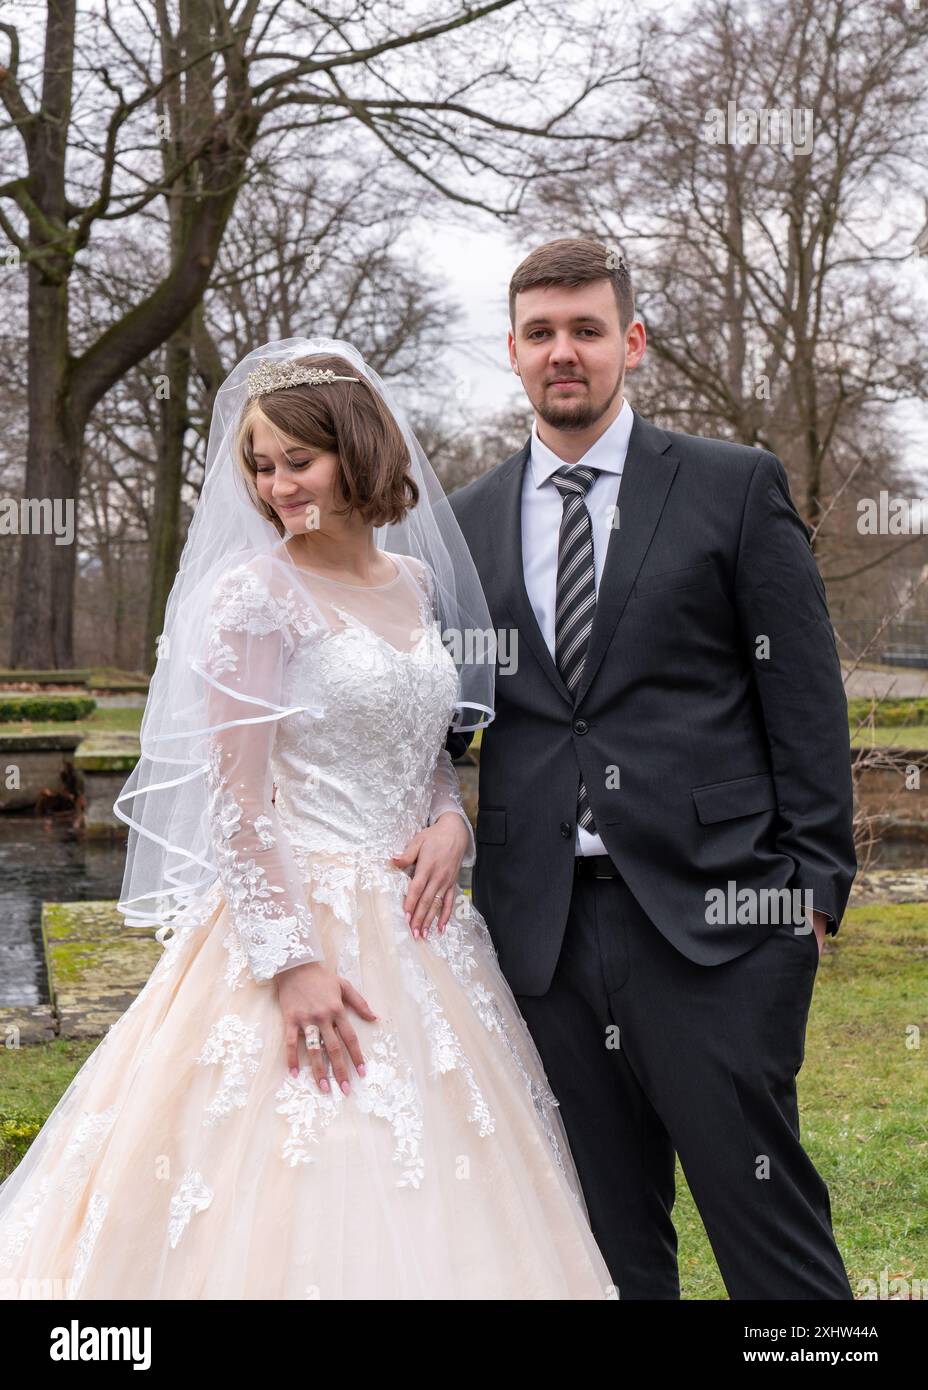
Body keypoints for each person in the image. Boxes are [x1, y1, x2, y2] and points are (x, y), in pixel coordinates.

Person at [0, 338, 614, 1300]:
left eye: (299, 459)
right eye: (261, 463)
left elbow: (427, 762)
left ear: (358, 450)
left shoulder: (416, 587)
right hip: (297, 928)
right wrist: (290, 964)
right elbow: (237, 806)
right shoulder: (252, 599)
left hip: (425, 934)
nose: (278, 484)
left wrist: (451, 824)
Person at [447, 238, 857, 1300]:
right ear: (513, 350)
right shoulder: (465, 522)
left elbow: (803, 697)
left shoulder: (731, 486)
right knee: (606, 1250)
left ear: (630, 341)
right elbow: (444, 720)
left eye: (586, 329)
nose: (563, 352)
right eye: (541, 333)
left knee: (768, 1236)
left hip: (717, 920)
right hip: (541, 936)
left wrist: (812, 891)